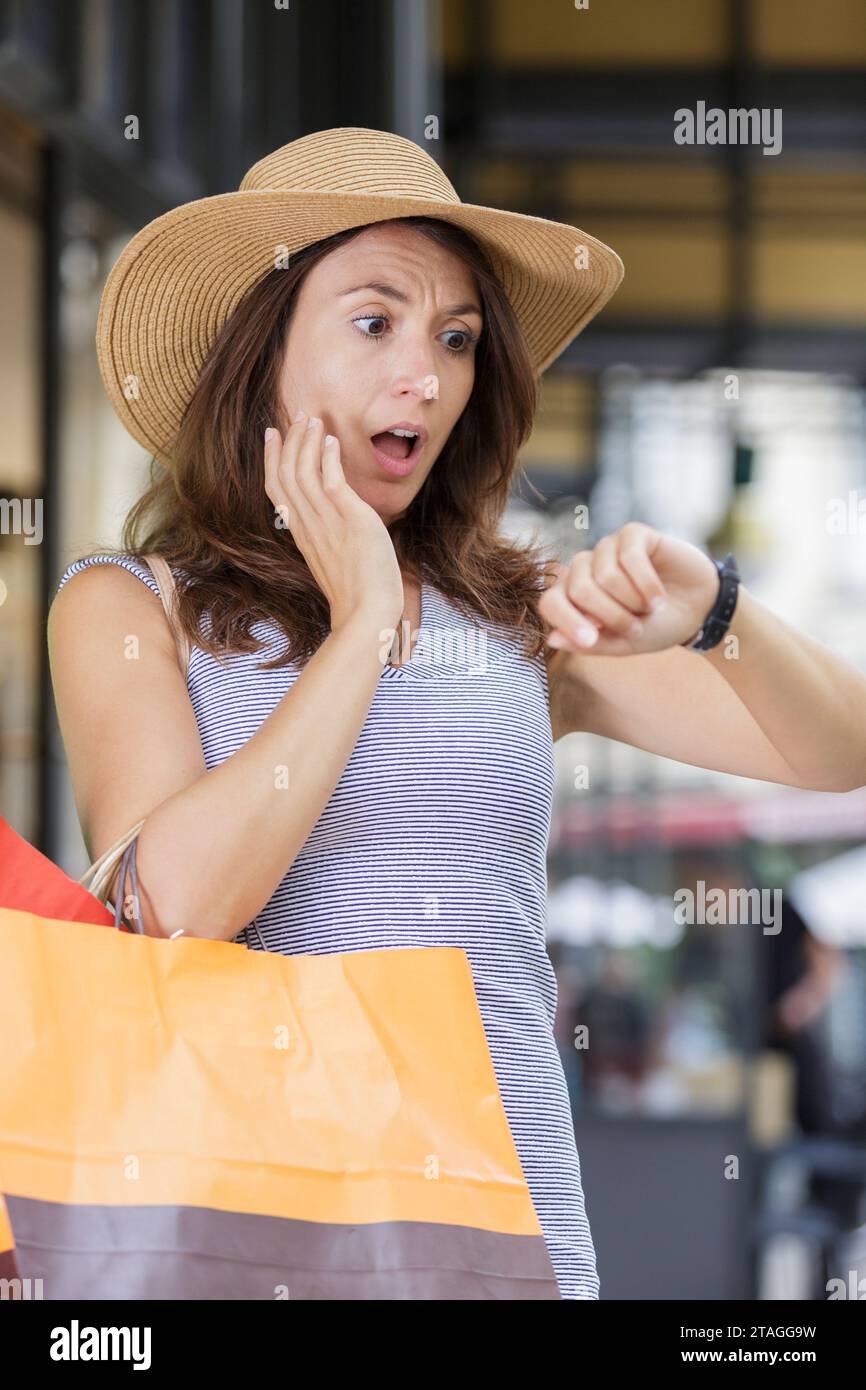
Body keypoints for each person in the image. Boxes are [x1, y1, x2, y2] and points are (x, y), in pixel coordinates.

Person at [47, 127, 866, 1301]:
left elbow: (834, 752)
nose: (424, 377)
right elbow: (174, 909)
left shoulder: (518, 613)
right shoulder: (130, 607)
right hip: (245, 1244)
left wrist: (718, 611)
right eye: (373, 321)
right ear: (260, 350)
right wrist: (363, 618)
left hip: (507, 1235)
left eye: (456, 338)